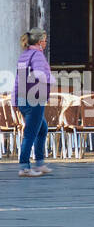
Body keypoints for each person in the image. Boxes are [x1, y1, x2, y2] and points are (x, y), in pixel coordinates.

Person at [14, 29, 52, 177]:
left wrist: (15, 99)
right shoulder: (37, 55)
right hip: (35, 97)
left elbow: (18, 79)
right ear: (39, 42)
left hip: (23, 97)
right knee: (30, 133)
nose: (46, 42)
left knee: (42, 129)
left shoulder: (24, 55)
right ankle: (24, 167)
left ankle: (40, 162)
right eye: (44, 40)